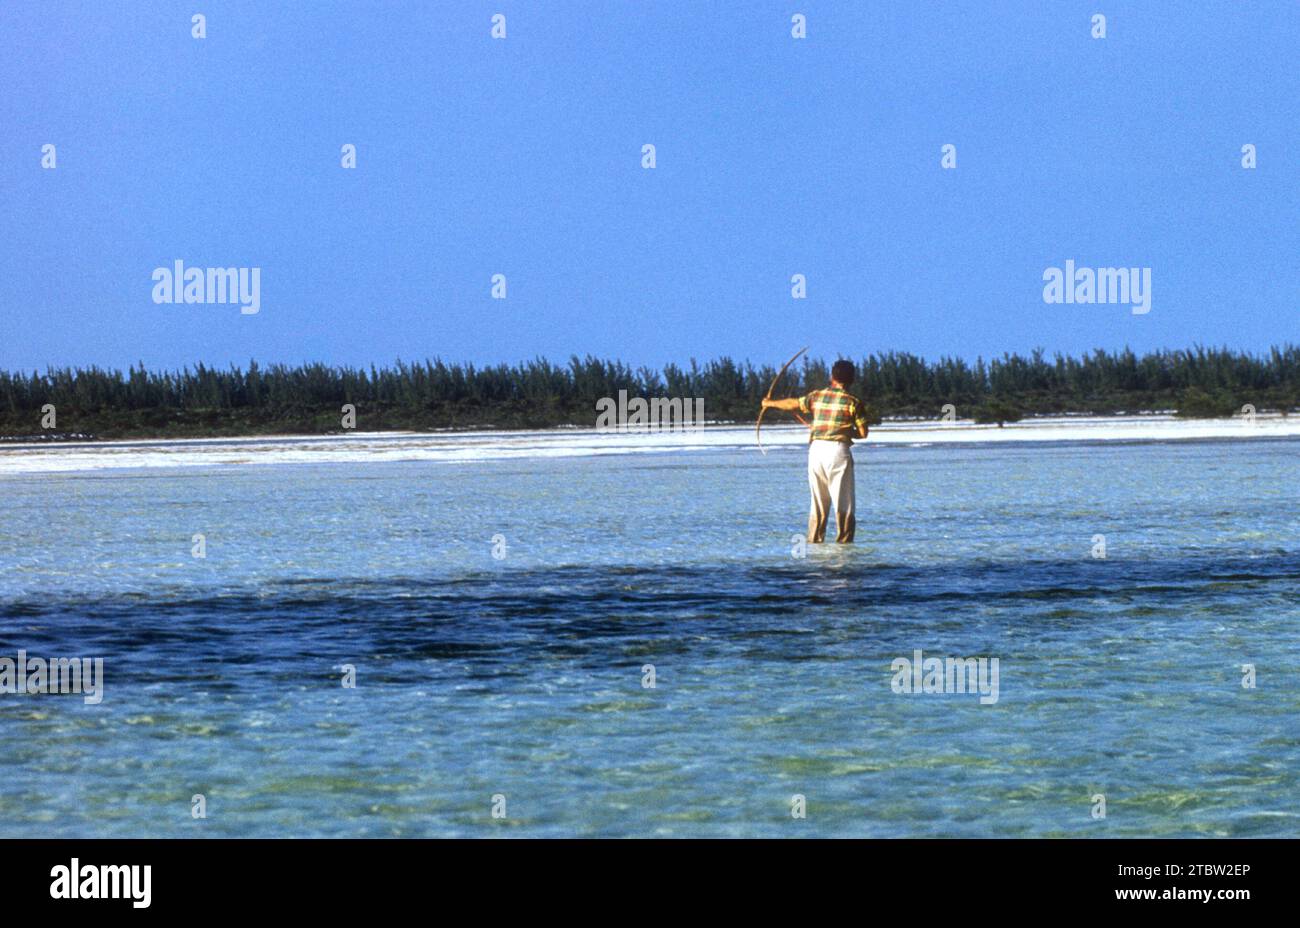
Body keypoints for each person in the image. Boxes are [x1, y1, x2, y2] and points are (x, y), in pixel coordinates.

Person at [761, 359, 868, 543]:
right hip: (838, 451)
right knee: (844, 504)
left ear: (831, 376)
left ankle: (814, 546)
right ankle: (844, 549)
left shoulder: (816, 396)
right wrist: (844, 431)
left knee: (818, 504)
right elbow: (863, 433)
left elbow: (792, 404)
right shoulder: (854, 402)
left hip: (816, 451)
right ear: (852, 380)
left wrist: (770, 403)